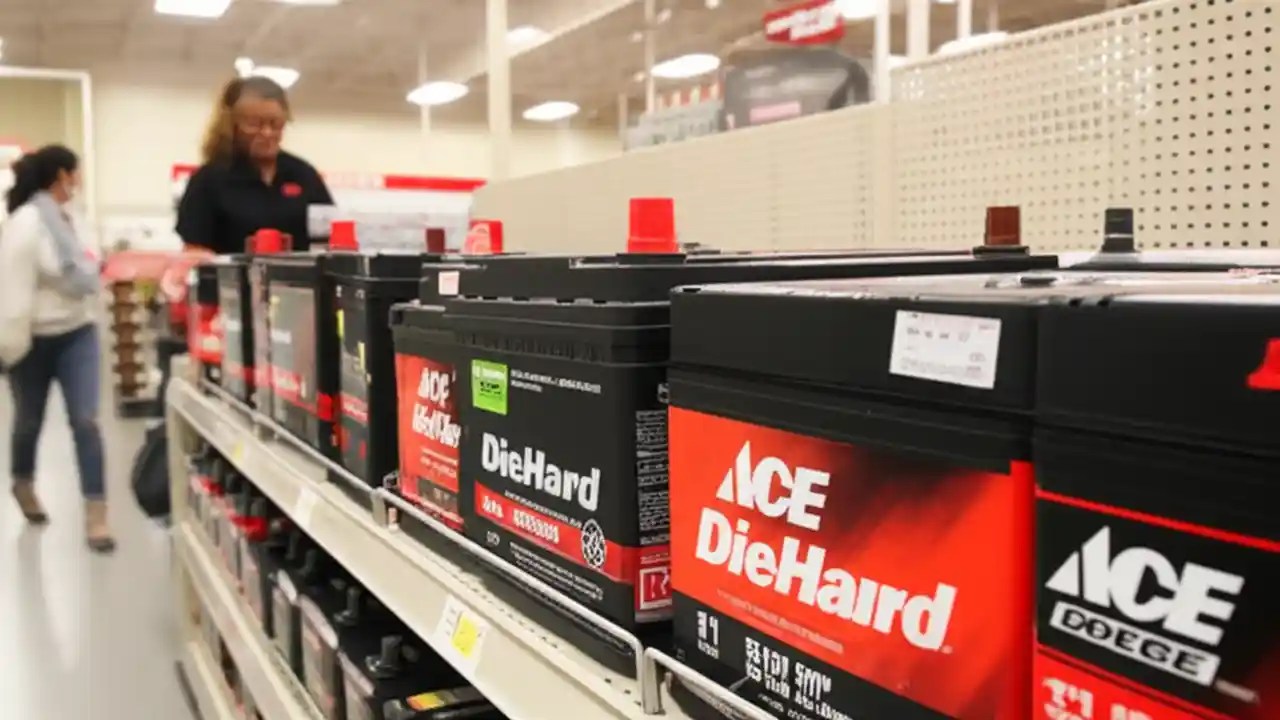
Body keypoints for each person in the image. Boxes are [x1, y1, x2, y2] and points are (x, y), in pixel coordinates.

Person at [0, 145, 115, 553]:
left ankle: (96, 514)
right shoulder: (26, 223)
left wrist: (86, 269)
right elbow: (11, 284)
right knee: (28, 420)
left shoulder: (76, 221)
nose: (79, 181)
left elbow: (90, 262)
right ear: (61, 175)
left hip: (77, 334)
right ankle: (23, 483)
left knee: (86, 421)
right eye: (75, 173)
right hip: (33, 339)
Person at [176, 76, 333, 253]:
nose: (267, 133)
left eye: (275, 124)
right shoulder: (207, 180)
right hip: (230, 280)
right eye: (254, 124)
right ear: (232, 126)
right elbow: (195, 250)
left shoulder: (304, 175)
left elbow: (329, 240)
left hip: (300, 281)